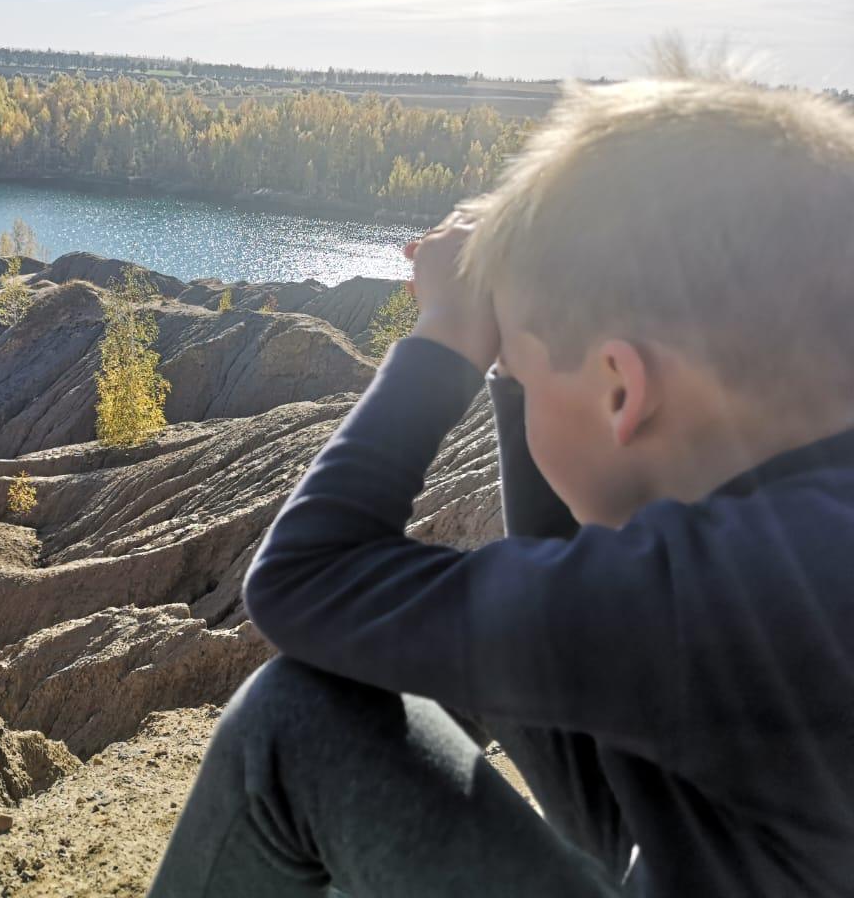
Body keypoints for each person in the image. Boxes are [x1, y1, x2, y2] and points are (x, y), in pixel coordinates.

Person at [145, 69, 854, 897]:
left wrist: (449, 336)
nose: (504, 379)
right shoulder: (792, 545)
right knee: (510, 659)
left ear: (622, 390)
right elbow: (569, 573)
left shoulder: (725, 598)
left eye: (511, 369)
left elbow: (304, 578)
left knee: (296, 722)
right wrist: (532, 323)